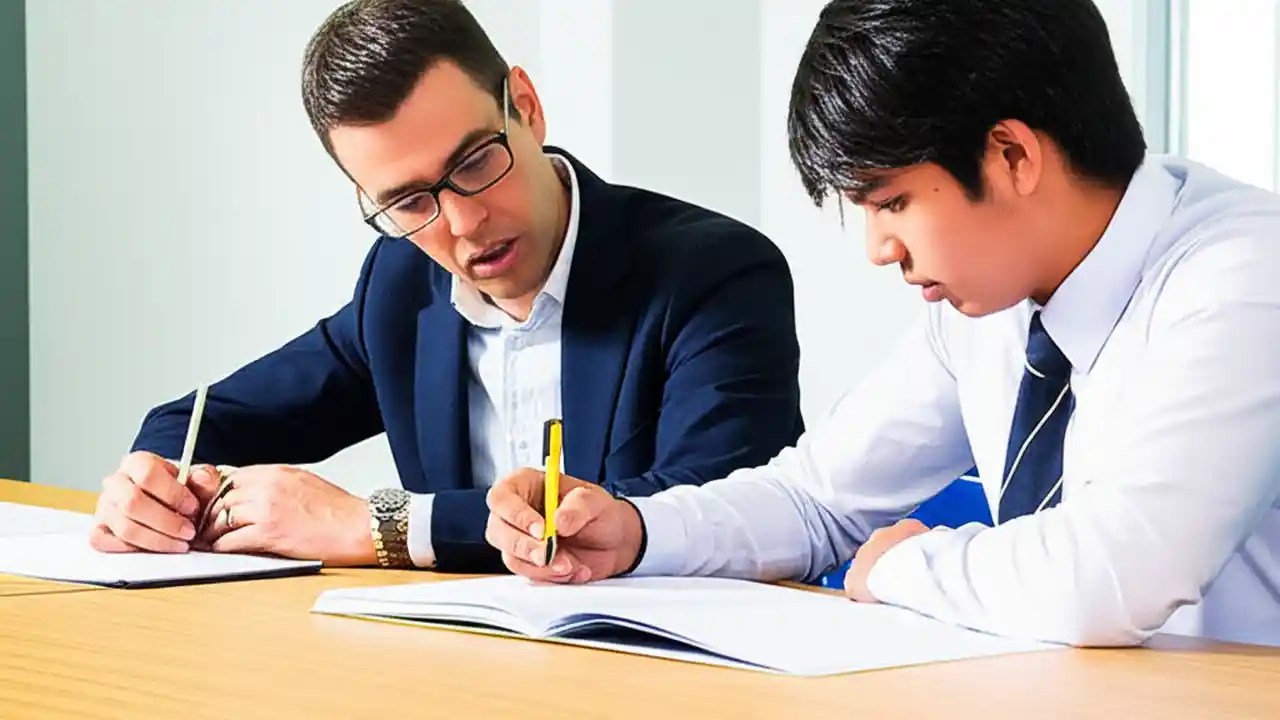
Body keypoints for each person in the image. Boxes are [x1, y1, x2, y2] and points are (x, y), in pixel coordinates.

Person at [485, 0, 1280, 648]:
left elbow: (1111, 577)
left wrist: (909, 565)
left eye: (890, 202)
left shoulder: (1244, 274)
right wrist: (635, 531)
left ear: (1012, 156)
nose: (878, 248)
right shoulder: (988, 301)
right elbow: (817, 500)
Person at [89, 0, 803, 573]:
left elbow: (713, 514)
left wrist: (377, 526)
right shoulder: (401, 285)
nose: (464, 222)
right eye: (407, 203)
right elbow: (204, 420)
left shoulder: (716, 275)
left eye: (474, 162)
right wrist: (153, 486)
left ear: (525, 105)